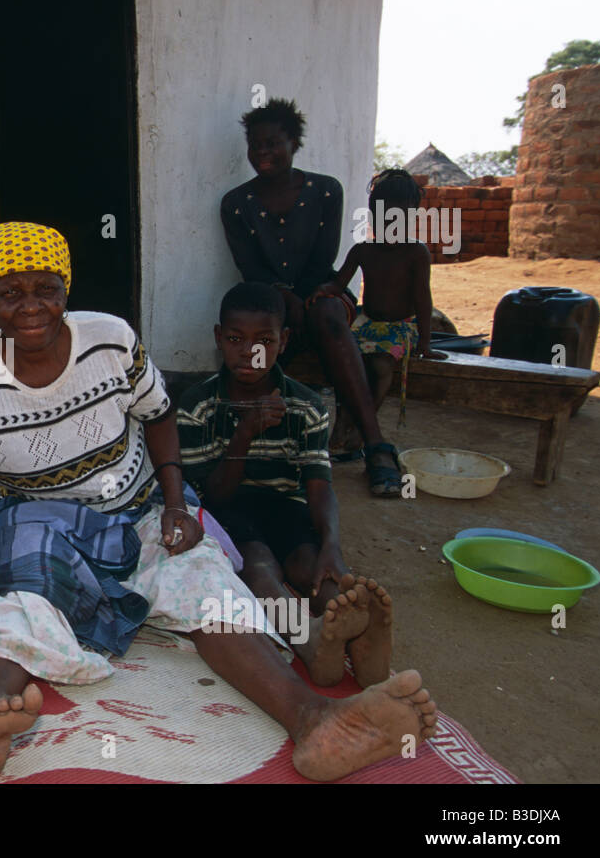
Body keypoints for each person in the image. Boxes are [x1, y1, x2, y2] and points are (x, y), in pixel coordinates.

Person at [0, 221, 437, 781]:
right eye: (10, 293)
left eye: (46, 288)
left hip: (135, 504)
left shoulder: (112, 340)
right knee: (19, 596)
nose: (32, 305)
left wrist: (172, 500)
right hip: (36, 515)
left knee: (200, 586)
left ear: (66, 289)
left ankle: (312, 718)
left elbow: (159, 414)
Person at [177, 282, 393, 688]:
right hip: (228, 511)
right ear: (218, 338)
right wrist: (245, 432)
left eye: (264, 340)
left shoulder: (305, 405)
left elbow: (318, 484)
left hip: (285, 505)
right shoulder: (197, 406)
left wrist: (332, 543)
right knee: (259, 568)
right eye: (236, 339)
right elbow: (215, 495)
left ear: (284, 341)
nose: (250, 352)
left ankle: (361, 639)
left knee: (314, 568)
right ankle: (309, 642)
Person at [220, 98, 401, 497]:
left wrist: (302, 303)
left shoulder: (325, 190)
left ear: (294, 143)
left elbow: (323, 264)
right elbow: (252, 270)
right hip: (271, 297)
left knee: (328, 315)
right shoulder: (236, 204)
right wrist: (284, 301)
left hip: (320, 293)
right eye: (255, 145)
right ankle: (255, 448)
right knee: (254, 322)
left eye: (272, 143)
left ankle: (376, 447)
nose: (262, 152)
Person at [312, 169, 448, 430]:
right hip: (367, 323)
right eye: (386, 218)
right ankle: (343, 423)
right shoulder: (363, 250)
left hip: (401, 328)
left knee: (382, 367)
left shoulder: (416, 253)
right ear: (373, 215)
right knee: (347, 365)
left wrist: (425, 342)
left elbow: (423, 300)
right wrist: (323, 290)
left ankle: (365, 426)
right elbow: (338, 284)